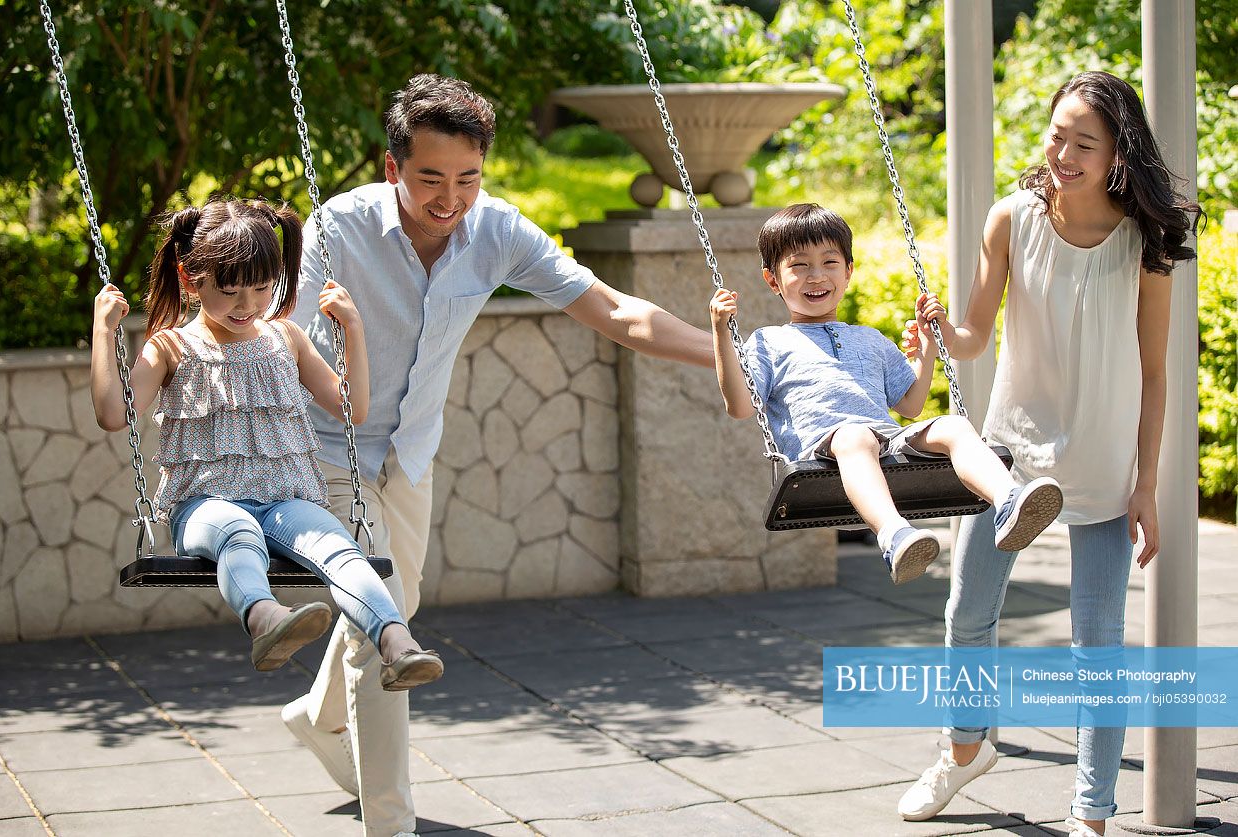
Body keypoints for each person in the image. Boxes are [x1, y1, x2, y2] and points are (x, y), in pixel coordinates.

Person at [278, 75, 716, 836]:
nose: (450, 198)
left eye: (468, 178)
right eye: (430, 179)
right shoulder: (338, 226)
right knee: (383, 622)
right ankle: (390, 822)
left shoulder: (499, 231)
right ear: (392, 169)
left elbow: (613, 310)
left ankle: (318, 721)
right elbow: (277, 330)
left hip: (410, 454)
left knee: (390, 606)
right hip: (324, 448)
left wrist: (726, 355)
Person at [894, 71, 1201, 837]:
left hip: (1100, 458)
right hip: (1007, 456)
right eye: (1055, 133)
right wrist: (937, 331)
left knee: (1097, 646)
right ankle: (964, 749)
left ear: (1116, 155)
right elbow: (973, 335)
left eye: (1082, 142)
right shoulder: (1010, 218)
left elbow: (1156, 370)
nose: (1061, 152)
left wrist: (1146, 486)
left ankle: (1090, 815)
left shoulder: (1145, 242)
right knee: (967, 611)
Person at [90, 198, 444, 691]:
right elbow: (113, 414)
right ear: (192, 281)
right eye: (231, 290)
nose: (248, 305)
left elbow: (352, 409)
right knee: (237, 531)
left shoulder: (286, 338)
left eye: (261, 289)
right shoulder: (170, 347)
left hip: (284, 501)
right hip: (204, 506)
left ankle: (397, 643)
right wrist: (102, 330)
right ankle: (265, 620)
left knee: (341, 549)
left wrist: (354, 329)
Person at [709, 203, 1062, 585]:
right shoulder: (769, 342)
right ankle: (895, 535)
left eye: (829, 262)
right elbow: (741, 407)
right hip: (822, 457)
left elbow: (909, 404)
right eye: (799, 265)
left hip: (886, 442)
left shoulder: (869, 339)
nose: (816, 276)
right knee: (855, 436)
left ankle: (1009, 502)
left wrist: (927, 347)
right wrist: (721, 333)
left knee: (955, 427)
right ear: (772, 279)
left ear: (848, 271)